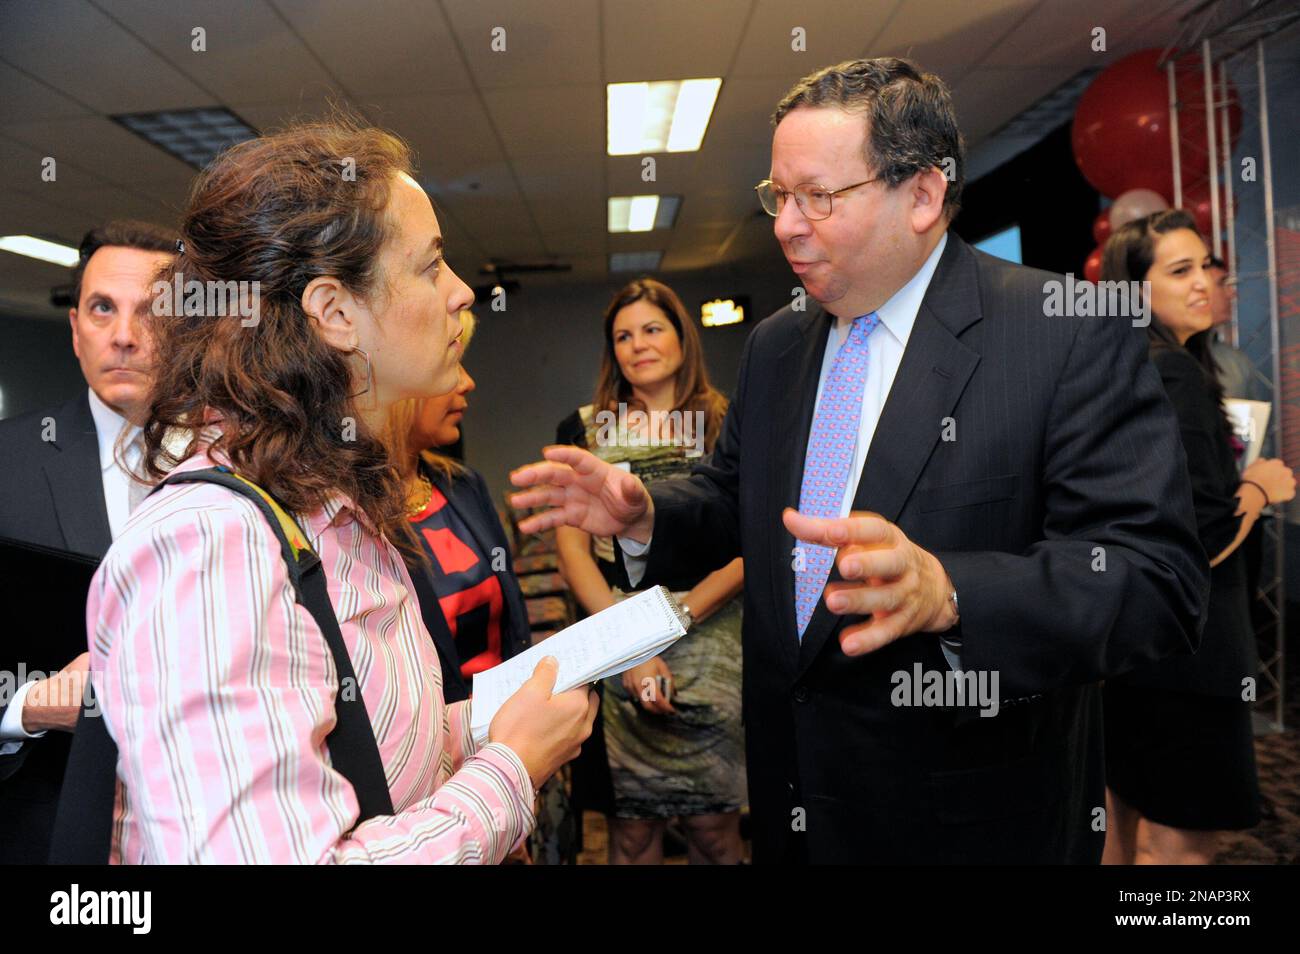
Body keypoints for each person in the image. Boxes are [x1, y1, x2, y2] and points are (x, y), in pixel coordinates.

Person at [510, 58, 1209, 864]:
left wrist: (951, 593)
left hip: (968, 823)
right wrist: (646, 515)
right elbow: (744, 500)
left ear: (921, 194)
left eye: (819, 197)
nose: (786, 225)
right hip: (793, 804)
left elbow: (1156, 580)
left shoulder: (1062, 333)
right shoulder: (778, 346)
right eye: (779, 196)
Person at [82, 117, 597, 863]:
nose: (462, 295)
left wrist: (491, 727)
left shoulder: (342, 511)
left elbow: (369, 751)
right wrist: (509, 772)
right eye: (430, 268)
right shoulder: (208, 549)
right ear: (334, 313)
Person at [1100, 210, 1294, 864]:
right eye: (1178, 271)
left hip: (1129, 643)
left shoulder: (1127, 366)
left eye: (1206, 265)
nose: (1204, 282)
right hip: (1190, 650)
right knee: (1179, 844)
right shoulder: (1173, 374)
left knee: (1118, 820)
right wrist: (1262, 487)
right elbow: (1198, 537)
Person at [0, 220, 175, 863]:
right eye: (103, 309)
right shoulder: (8, 466)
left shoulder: (245, 471)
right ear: (75, 328)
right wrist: (27, 707)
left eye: (151, 313)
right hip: (52, 844)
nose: (124, 335)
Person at [554, 278, 745, 865]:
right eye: (623, 336)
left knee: (715, 830)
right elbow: (574, 552)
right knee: (633, 835)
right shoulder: (583, 430)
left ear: (683, 338)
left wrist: (677, 616)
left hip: (713, 639)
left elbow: (752, 544)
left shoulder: (728, 423)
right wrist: (632, 645)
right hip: (618, 640)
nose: (638, 345)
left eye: (652, 328)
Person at [387, 313, 531, 704]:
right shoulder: (354, 518)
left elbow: (514, 625)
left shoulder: (463, 486)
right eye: (451, 364)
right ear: (400, 385)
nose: (468, 382)